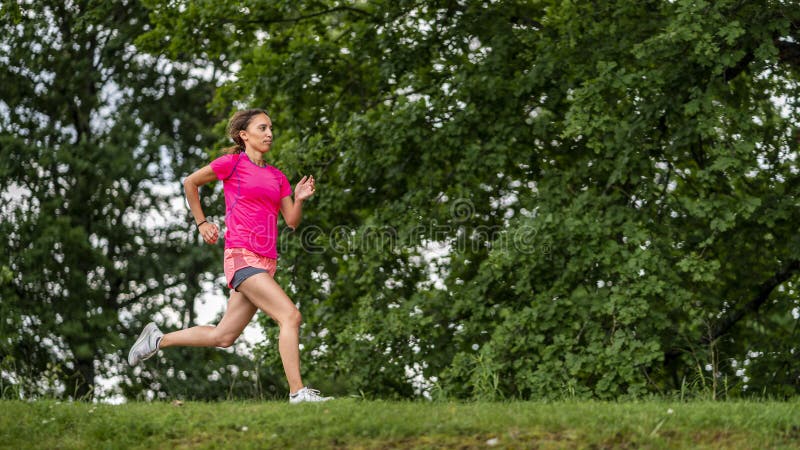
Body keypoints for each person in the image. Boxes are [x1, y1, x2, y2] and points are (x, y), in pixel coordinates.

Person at [128, 109, 331, 403]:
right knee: (290, 316)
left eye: (270, 128)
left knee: (223, 336)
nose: (269, 133)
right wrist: (202, 223)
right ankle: (298, 393)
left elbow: (291, 221)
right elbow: (190, 182)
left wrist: (298, 199)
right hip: (242, 256)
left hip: (266, 262)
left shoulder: (277, 177)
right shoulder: (232, 164)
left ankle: (157, 340)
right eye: (262, 128)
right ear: (244, 135)